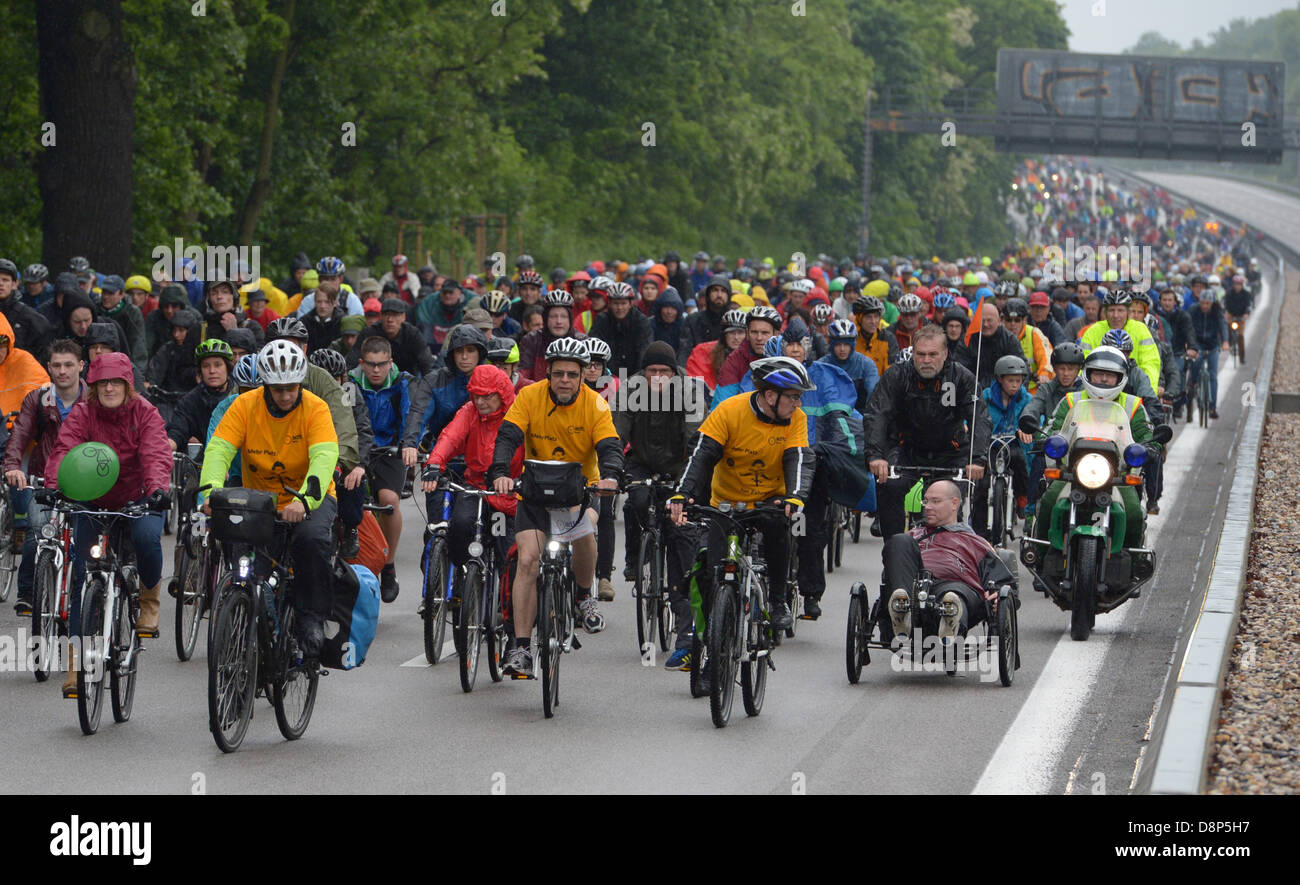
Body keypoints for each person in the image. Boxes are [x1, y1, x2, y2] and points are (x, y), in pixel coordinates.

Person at [489, 338, 624, 676]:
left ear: (583, 377)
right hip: (534, 492)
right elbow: (508, 436)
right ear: (547, 373)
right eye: (558, 373)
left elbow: (609, 446)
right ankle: (520, 647)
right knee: (528, 562)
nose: (565, 380)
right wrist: (501, 472)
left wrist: (610, 476)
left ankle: (582, 596)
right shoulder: (529, 396)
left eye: (572, 374)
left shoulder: (595, 405)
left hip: (579, 492)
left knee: (582, 535)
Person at [200, 341, 340, 663]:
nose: (286, 395)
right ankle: (250, 630)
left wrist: (304, 501)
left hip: (310, 497)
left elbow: (324, 457)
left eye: (291, 388)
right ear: (265, 384)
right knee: (247, 563)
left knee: (311, 540)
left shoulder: (316, 408)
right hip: (260, 500)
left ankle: (311, 619)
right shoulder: (244, 406)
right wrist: (209, 493)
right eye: (278, 389)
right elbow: (219, 450)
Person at [46, 352, 171, 696]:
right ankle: (75, 666)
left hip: (139, 496)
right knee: (81, 574)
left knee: (147, 538)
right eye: (103, 383)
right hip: (93, 499)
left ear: (128, 385)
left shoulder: (144, 412)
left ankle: (149, 599)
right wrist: (53, 486)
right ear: (94, 387)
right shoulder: (84, 414)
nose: (110, 388)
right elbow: (64, 448)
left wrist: (158, 490)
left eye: (117, 382)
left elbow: (155, 453)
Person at [670, 356, 817, 631]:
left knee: (778, 528)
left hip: (768, 501)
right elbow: (700, 455)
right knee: (708, 571)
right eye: (794, 397)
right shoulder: (729, 411)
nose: (798, 404)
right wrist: (682, 493)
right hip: (726, 503)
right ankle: (703, 637)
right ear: (770, 395)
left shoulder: (797, 418)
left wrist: (796, 496)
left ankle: (776, 600)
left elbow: (799, 458)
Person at [615, 341, 707, 663]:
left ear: (673, 372)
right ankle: (634, 557)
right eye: (651, 371)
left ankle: (685, 622)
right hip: (641, 461)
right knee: (636, 500)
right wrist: (612, 468)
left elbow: (696, 439)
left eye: (663, 372)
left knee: (678, 532)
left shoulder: (690, 391)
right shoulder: (630, 389)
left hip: (679, 465)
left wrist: (687, 482)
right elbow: (616, 432)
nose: (656, 377)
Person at [1028, 346, 1160, 551]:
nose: (1104, 379)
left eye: (1110, 375)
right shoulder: (1071, 400)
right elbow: (1052, 427)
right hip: (1071, 474)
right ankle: (1040, 554)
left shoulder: (1133, 405)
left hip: (1119, 478)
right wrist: (1047, 439)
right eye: (1098, 373)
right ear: (1088, 374)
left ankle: (1133, 561)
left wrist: (1149, 447)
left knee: (1134, 512)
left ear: (1122, 378)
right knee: (1048, 503)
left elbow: (1147, 436)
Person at [865, 325, 990, 542]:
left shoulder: (962, 377)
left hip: (952, 452)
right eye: (921, 354)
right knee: (888, 486)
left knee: (953, 500)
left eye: (933, 354)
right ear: (913, 354)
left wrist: (978, 459)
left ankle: (959, 553)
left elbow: (979, 417)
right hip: (907, 449)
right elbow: (877, 413)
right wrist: (875, 456)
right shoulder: (897, 375)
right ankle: (894, 554)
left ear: (945, 354)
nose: (926, 360)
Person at [422, 364, 522, 606]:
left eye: (487, 396)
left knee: (507, 550)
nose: (480, 401)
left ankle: (508, 606)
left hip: (509, 490)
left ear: (502, 394)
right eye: (476, 395)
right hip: (475, 485)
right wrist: (435, 463)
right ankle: (463, 578)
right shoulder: (468, 412)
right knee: (460, 525)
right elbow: (450, 437)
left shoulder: (518, 414)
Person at [881, 479, 1016, 648]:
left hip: (957, 587)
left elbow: (1005, 584)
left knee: (952, 597)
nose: (928, 507)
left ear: (954, 504)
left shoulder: (976, 542)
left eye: (935, 501)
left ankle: (950, 623)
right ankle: (902, 610)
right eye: (926, 501)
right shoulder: (912, 536)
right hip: (914, 587)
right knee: (898, 540)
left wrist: (998, 597)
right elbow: (890, 570)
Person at [4, 339, 86, 616]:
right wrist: (14, 466)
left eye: (69, 365)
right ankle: (28, 591)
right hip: (43, 476)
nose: (63, 371)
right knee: (37, 531)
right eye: (57, 365)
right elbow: (19, 434)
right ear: (48, 368)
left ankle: (84, 591)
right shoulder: (37, 398)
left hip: (85, 479)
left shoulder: (95, 399)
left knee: (87, 538)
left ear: (81, 366)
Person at [350, 335, 415, 601]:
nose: (376, 370)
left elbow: (411, 418)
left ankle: (388, 565)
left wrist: (409, 444)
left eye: (382, 364)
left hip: (389, 451)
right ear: (362, 363)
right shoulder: (350, 384)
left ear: (391, 363)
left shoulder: (403, 383)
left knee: (388, 501)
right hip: (356, 450)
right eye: (371, 364)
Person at [1018, 341, 1084, 517]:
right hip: (1053, 444)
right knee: (1038, 459)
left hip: (1081, 445)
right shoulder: (1046, 388)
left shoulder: (1086, 392)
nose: (1065, 373)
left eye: (1071, 368)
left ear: (1078, 370)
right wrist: (1027, 421)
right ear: (1054, 368)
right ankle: (1031, 511)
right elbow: (1034, 406)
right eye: (1061, 368)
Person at [970, 355, 1032, 543]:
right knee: (982, 483)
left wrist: (1026, 429)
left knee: (1020, 461)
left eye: (1018, 381)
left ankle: (1021, 497)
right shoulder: (986, 396)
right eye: (1010, 381)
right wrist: (968, 425)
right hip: (990, 443)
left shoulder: (1026, 398)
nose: (1015, 385)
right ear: (999, 379)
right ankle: (979, 531)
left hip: (1012, 442)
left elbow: (1034, 416)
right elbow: (972, 414)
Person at [404, 324, 487, 453]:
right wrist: (410, 444)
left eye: (470, 350)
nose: (464, 356)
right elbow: (418, 414)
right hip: (441, 452)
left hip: (480, 454)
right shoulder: (434, 380)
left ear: (480, 353)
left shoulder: (492, 381)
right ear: (452, 354)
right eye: (459, 351)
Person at [1080, 288, 1160, 391]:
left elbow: (1150, 364)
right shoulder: (1093, 331)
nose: (1116, 315)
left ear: (1128, 312)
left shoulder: (1141, 330)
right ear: (1105, 312)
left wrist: (1147, 392)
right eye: (1111, 310)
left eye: (1120, 310)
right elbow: (1083, 364)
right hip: (1099, 388)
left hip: (1132, 388)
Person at [346, 298, 435, 377]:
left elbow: (427, 365)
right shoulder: (369, 333)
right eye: (386, 315)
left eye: (395, 315)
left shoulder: (413, 335)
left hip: (407, 383)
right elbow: (352, 362)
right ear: (381, 316)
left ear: (403, 317)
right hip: (373, 384)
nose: (390, 320)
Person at [516, 290, 585, 383]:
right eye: (553, 316)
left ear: (570, 319)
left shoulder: (582, 341)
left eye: (564, 316)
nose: (559, 321)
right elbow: (523, 376)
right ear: (545, 319)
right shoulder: (531, 340)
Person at [714, 305, 781, 400]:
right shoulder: (735, 359)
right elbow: (722, 401)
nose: (759, 338)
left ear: (776, 334)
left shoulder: (787, 354)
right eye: (754, 332)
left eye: (765, 333)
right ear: (747, 334)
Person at [588, 280, 651, 377]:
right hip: (607, 375)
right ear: (609, 303)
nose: (619, 307)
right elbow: (594, 349)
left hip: (635, 374)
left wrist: (636, 378)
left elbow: (644, 352)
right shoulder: (601, 320)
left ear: (630, 303)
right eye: (615, 303)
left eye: (623, 303)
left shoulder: (641, 321)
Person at [0, 258, 53, 364]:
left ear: (15, 284)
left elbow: (44, 356)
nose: (0, 283)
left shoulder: (31, 319)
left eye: (5, 280)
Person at [820, 318, 878, 412]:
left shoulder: (866, 365)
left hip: (860, 417)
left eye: (846, 344)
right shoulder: (821, 365)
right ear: (831, 345)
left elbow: (874, 395)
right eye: (838, 345)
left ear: (853, 345)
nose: (842, 349)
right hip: (829, 416)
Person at [686, 308, 746, 394]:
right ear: (724, 335)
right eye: (731, 332)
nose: (736, 337)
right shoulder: (703, 352)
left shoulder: (752, 355)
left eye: (740, 332)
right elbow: (697, 382)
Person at [95, 275, 148, 371]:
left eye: (110, 293)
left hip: (124, 363)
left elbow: (138, 343)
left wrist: (138, 374)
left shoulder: (132, 312)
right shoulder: (95, 308)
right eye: (104, 292)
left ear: (121, 294)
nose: (106, 297)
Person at [1000, 298, 1053, 392]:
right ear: (1003, 320)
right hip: (1002, 389)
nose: (1013, 324)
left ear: (1024, 320)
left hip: (1031, 390)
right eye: (1008, 320)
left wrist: (1044, 373)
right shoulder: (998, 335)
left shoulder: (1034, 333)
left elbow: (1046, 357)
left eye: (1017, 320)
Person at [677, 275, 731, 365]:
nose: (719, 295)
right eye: (715, 290)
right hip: (697, 369)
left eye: (723, 291)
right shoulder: (692, 320)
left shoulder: (733, 322)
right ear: (708, 294)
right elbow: (684, 352)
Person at [1223, 274, 1253, 363]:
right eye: (1236, 284)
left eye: (1239, 284)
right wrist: (1226, 313)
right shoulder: (1229, 293)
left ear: (1242, 284)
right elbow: (1225, 304)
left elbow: (1249, 305)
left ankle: (1242, 357)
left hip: (1241, 317)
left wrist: (1246, 314)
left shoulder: (1246, 294)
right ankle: (1230, 343)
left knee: (1240, 336)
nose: (1237, 286)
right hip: (1231, 315)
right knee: (1227, 329)